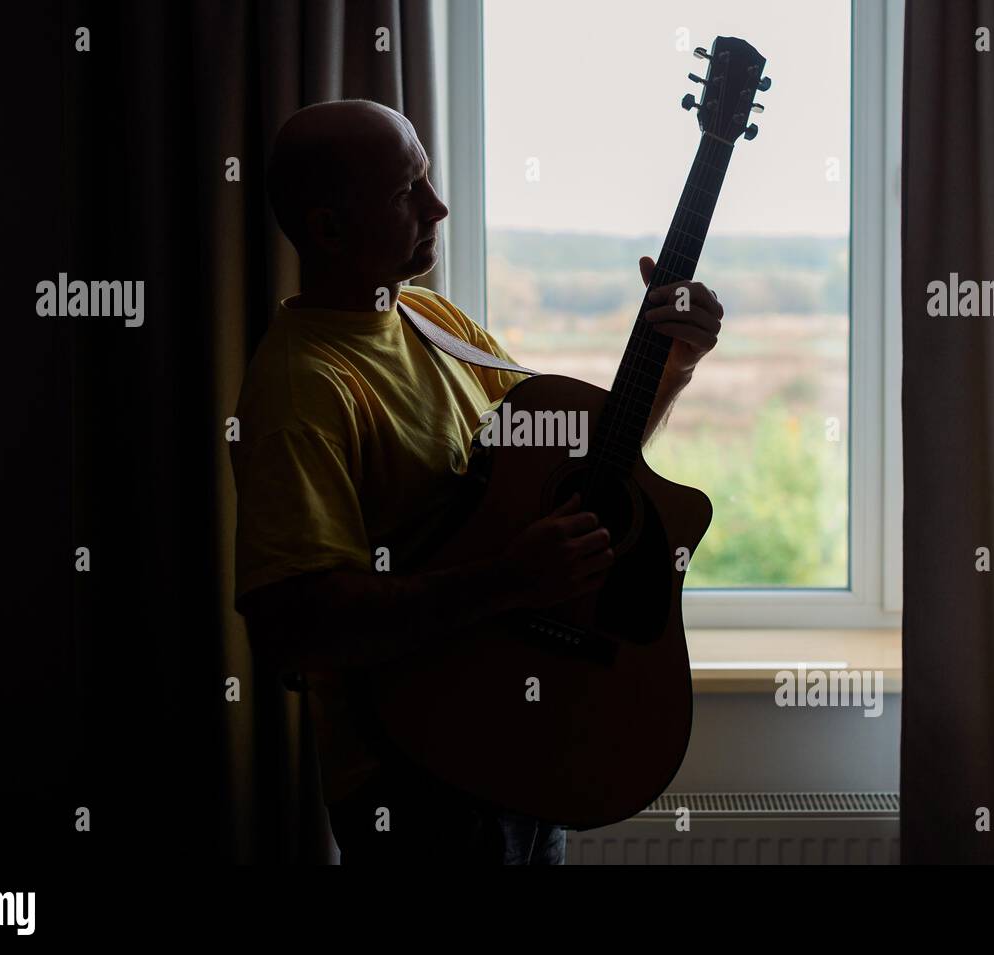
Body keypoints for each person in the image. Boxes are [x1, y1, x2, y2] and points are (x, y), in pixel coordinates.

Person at [231, 99, 723, 864]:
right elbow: (294, 621)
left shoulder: (430, 318)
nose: (439, 205)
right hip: (417, 778)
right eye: (407, 192)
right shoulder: (304, 390)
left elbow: (584, 468)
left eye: (428, 177)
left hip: (520, 745)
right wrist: (510, 578)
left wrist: (674, 361)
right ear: (328, 230)